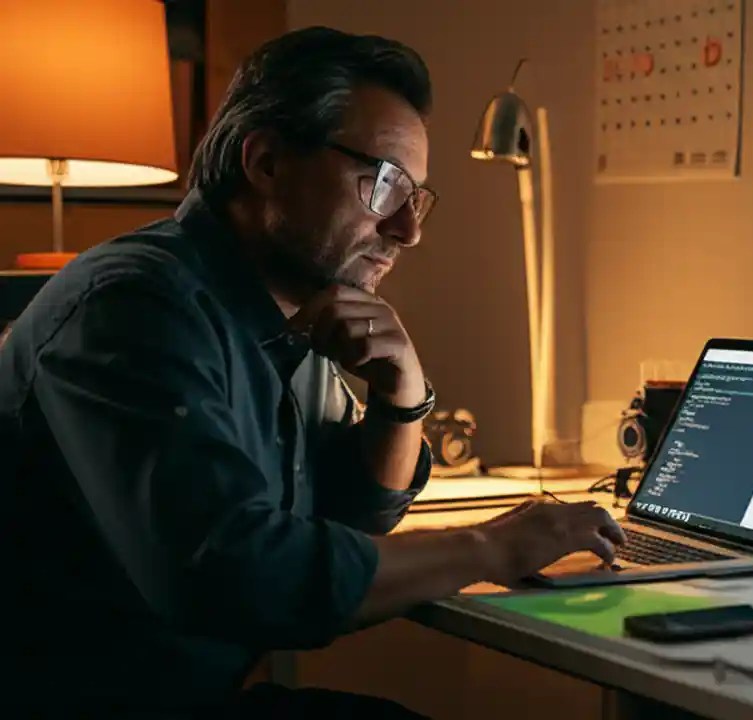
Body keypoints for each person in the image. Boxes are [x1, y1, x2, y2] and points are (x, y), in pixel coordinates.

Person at [0, 26, 625, 718]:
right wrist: (491, 545)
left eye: (415, 197)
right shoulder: (135, 308)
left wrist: (401, 398)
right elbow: (240, 576)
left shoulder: (283, 314)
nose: (407, 231)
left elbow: (353, 523)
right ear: (266, 162)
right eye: (384, 184)